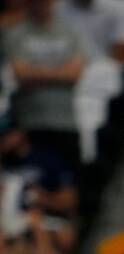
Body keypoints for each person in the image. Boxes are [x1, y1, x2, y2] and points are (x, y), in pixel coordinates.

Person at [5, 0, 85, 175]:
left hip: (66, 122)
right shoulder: (16, 34)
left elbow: (75, 74)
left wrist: (36, 71)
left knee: (71, 185)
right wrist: (59, 71)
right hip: (30, 123)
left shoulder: (69, 32)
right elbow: (22, 75)